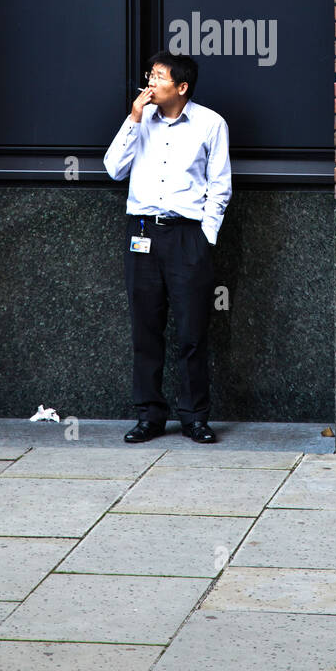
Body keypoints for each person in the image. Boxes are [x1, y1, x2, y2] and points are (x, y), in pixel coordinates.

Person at [103, 51, 232, 444]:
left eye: (159, 77)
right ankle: (150, 415)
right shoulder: (140, 122)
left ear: (182, 87)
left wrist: (204, 237)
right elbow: (113, 168)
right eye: (151, 75)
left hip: (186, 236)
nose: (150, 83)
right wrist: (133, 120)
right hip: (141, 233)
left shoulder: (211, 124)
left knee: (192, 331)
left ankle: (195, 417)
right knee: (146, 329)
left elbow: (220, 185)